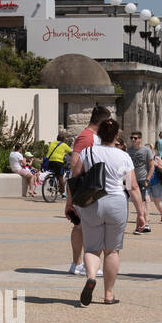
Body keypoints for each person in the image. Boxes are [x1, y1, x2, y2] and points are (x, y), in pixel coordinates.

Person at [66, 118, 147, 306]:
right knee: (112, 251)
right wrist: (141, 213)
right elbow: (132, 186)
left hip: (92, 202)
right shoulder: (124, 156)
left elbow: (75, 178)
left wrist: (70, 204)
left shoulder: (88, 152)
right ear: (117, 136)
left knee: (93, 248)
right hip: (117, 201)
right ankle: (109, 294)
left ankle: (91, 277)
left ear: (98, 135)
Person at [67, 106, 112, 275]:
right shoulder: (87, 137)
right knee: (84, 226)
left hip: (85, 188)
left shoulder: (89, 136)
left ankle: (79, 263)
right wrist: (71, 197)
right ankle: (83, 264)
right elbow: (75, 163)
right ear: (101, 121)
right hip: (86, 188)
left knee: (82, 226)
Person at [126, 132, 156, 234]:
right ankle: (143, 224)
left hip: (142, 179)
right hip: (130, 179)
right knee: (133, 202)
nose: (133, 140)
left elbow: (152, 166)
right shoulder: (128, 151)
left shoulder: (146, 150)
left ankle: (141, 226)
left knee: (141, 203)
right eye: (131, 138)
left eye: (135, 138)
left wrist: (147, 179)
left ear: (140, 139)